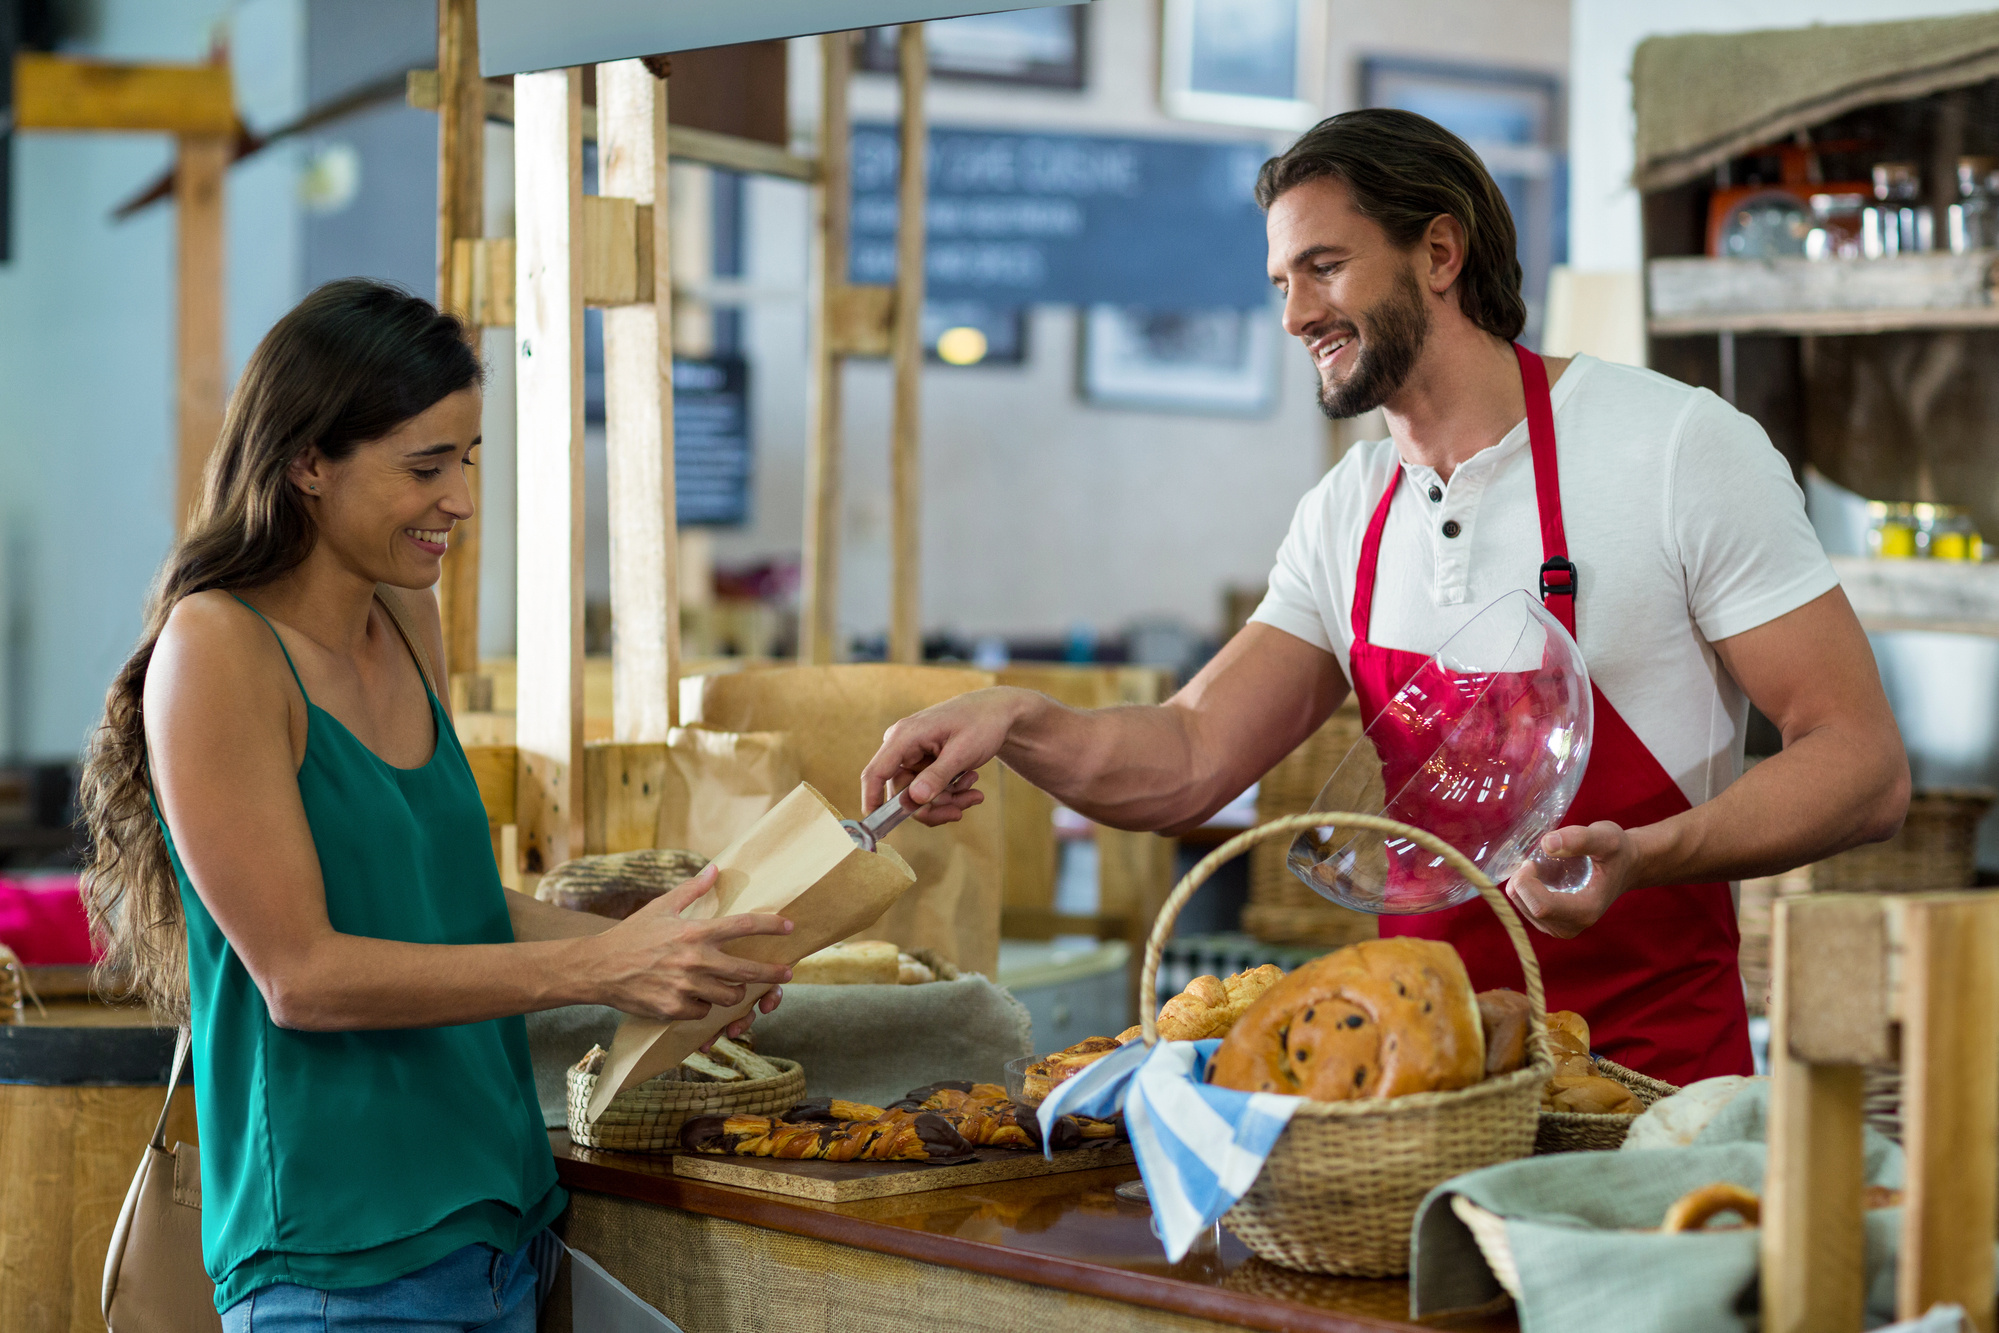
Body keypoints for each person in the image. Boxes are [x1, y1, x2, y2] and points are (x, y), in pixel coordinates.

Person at [860, 110, 1909, 1087]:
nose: (1296, 313)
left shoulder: (1676, 447)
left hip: (1648, 1091)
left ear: (1439, 254)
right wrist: (1016, 719)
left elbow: (1861, 765)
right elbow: (1187, 756)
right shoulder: (1345, 511)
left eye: (1323, 267)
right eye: (1281, 281)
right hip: (1414, 1098)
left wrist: (1646, 857)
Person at [78, 279, 794, 1329]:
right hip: (336, 1260)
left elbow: (449, 903)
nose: (459, 498)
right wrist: (599, 966)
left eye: (468, 457)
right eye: (424, 465)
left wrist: (672, 947)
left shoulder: (408, 620)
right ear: (307, 461)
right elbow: (302, 977)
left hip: (501, 1228)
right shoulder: (218, 649)